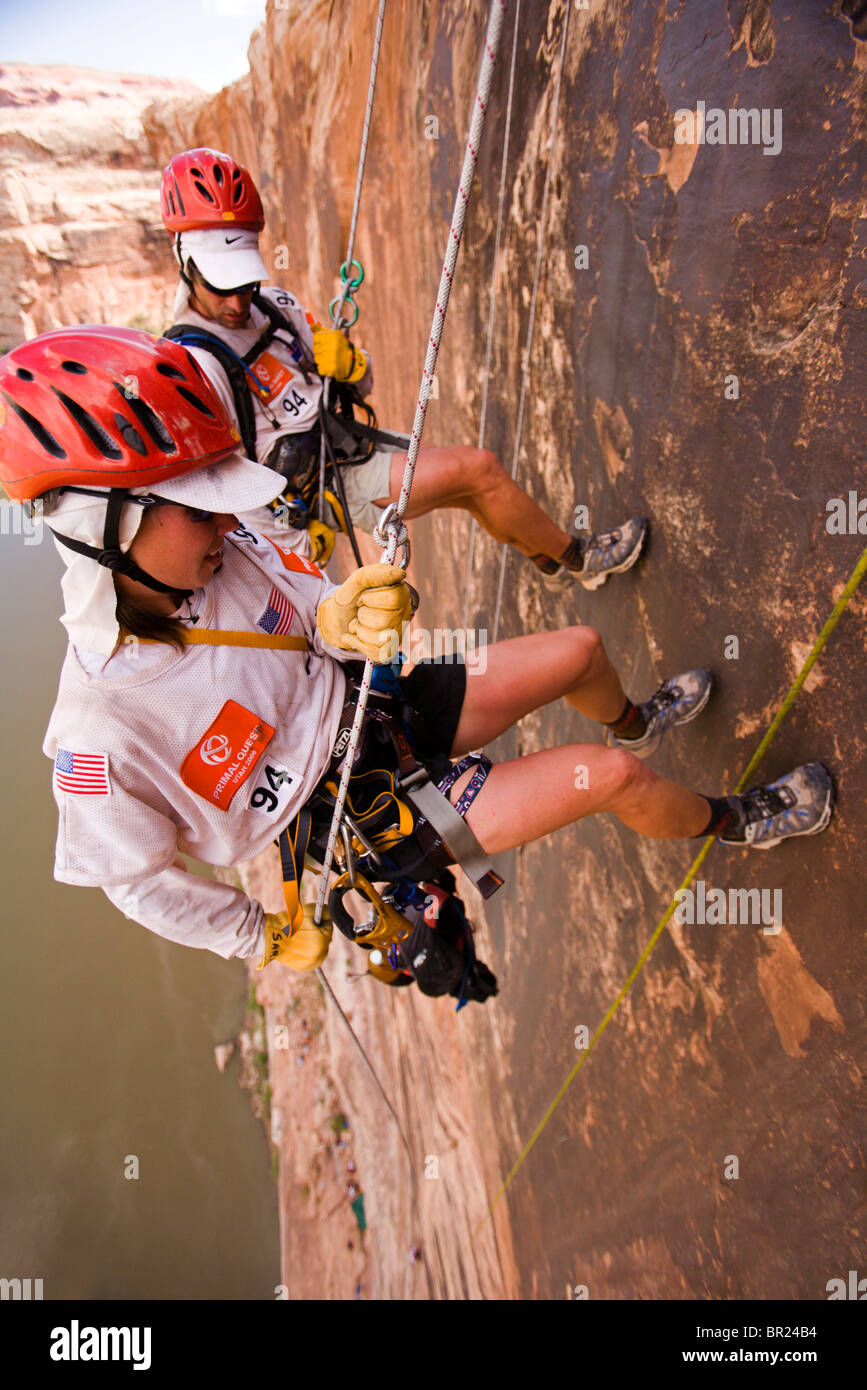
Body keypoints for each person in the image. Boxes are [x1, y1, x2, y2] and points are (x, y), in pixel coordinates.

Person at [1, 327, 833, 989]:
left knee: (580, 652)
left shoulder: (223, 546)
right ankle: (740, 822)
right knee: (606, 783)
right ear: (107, 530)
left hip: (372, 700)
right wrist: (255, 936)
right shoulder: (97, 732)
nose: (225, 525)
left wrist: (340, 611)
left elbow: (300, 591)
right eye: (199, 512)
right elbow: (133, 878)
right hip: (363, 810)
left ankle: (636, 723)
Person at [160, 146, 647, 585]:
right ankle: (577, 559)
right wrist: (298, 547)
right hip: (325, 489)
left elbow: (364, 382)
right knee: (481, 471)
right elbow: (229, 480)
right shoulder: (198, 363)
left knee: (472, 490)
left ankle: (550, 562)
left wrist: (352, 366)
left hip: (346, 445)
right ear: (185, 261)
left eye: (244, 280)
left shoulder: (275, 307)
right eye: (222, 284)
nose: (237, 299)